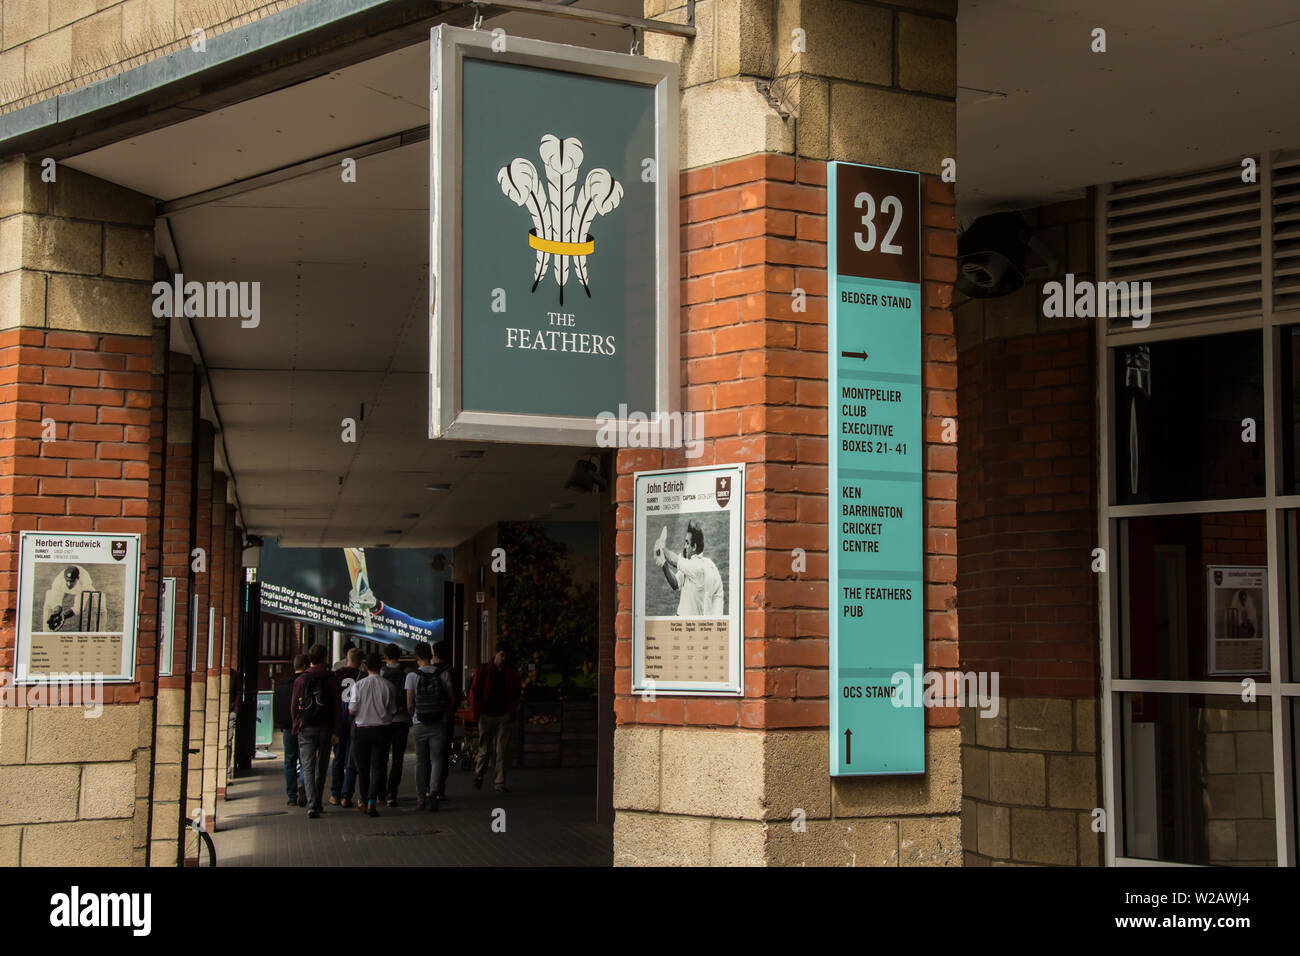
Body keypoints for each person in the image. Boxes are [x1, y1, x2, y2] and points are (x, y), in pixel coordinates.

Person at [290, 644, 342, 818]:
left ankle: (311, 804)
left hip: (306, 727)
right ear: (325, 658)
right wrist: (336, 730)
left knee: (308, 766)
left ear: (309, 659)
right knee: (322, 766)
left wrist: (296, 724)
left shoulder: (301, 680)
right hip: (326, 727)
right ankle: (318, 801)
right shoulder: (331, 678)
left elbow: (294, 707)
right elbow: (336, 705)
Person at [407, 641, 456, 810]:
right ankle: (434, 791)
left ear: (417, 657)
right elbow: (451, 699)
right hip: (438, 723)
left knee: (420, 761)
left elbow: (409, 704)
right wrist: (445, 716)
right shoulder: (443, 674)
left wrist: (413, 716)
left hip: (419, 723)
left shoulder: (412, 676)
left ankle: (421, 798)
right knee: (437, 759)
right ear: (431, 655)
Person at [349, 652, 396, 817]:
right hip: (382, 729)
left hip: (362, 730)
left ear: (365, 667)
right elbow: (392, 710)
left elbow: (352, 710)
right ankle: (371, 801)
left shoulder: (358, 685)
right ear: (381, 666)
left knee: (363, 768)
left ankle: (363, 798)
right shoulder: (388, 686)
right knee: (378, 767)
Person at [469, 648, 521, 793]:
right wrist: (477, 713)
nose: (503, 658)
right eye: (502, 655)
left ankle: (499, 782)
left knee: (501, 750)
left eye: (506, 656)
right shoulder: (484, 671)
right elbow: (475, 692)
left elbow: (516, 692)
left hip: (502, 715)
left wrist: (511, 710)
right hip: (486, 715)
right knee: (485, 749)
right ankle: (480, 773)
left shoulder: (510, 673)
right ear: (496, 654)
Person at [656, 520, 725, 615]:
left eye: (687, 543)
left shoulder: (698, 567)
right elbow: (675, 583)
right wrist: (663, 563)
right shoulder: (689, 565)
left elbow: (675, 560)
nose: (685, 546)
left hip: (690, 624)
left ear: (694, 547)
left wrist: (661, 547)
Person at [273, 654, 308, 806]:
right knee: (305, 759)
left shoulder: (283, 684)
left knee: (289, 761)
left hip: (287, 727)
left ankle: (292, 796)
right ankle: (302, 782)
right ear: (306, 666)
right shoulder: (307, 683)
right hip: (304, 726)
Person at [331, 647, 364, 807]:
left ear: (347, 658)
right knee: (351, 760)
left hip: (338, 721)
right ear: (360, 662)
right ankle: (346, 795)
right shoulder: (362, 677)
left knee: (338, 758)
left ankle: (334, 794)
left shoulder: (336, 675)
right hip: (355, 723)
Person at [380, 643, 411, 806]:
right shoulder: (406, 672)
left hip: (385, 720)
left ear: (385, 656)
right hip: (402, 719)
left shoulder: (382, 673)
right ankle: (392, 792)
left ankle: (380, 791)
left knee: (382, 757)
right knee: (398, 758)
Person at [43, 565, 99, 631]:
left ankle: (100, 633)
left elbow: (78, 608)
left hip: (80, 590)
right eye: (67, 580)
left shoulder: (86, 582)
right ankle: (47, 633)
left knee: (100, 603)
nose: (69, 584)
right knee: (49, 594)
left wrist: (64, 616)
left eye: (72, 581)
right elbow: (56, 600)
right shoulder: (58, 581)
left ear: (77, 578)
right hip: (62, 588)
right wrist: (56, 612)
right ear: (64, 578)